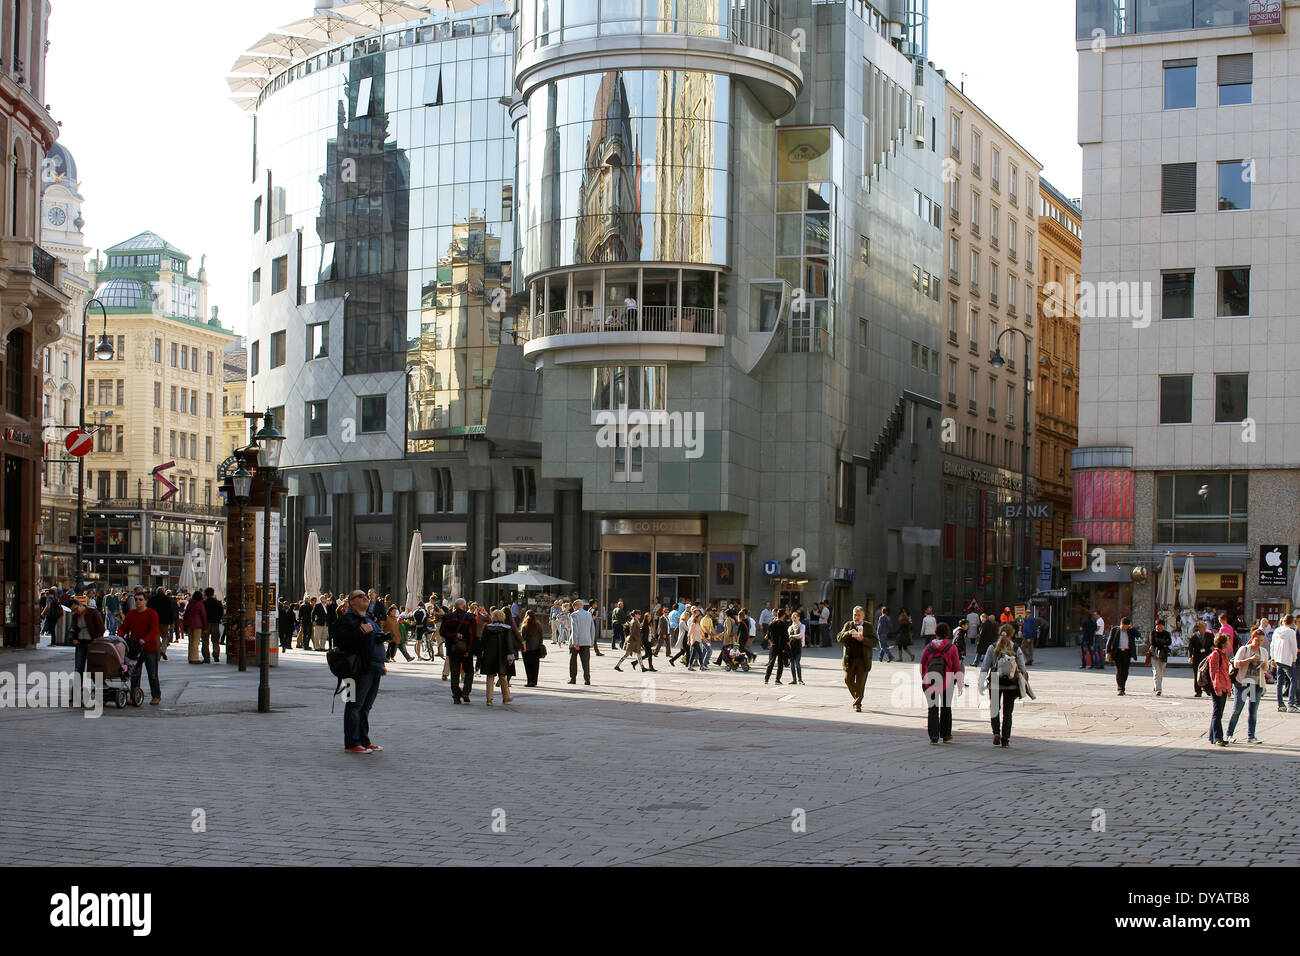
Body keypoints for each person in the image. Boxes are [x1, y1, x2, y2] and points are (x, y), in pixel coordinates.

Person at [335, 590, 386, 753]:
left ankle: (364, 740)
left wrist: (381, 663)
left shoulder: (369, 618)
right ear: (351, 602)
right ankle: (352, 742)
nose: (365, 598)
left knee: (365, 707)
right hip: (357, 670)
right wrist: (360, 631)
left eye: (366, 596)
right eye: (360, 597)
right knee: (354, 705)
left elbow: (374, 640)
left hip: (374, 668)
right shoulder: (347, 620)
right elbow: (342, 641)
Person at [980, 625, 1032, 748]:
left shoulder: (992, 647)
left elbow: (984, 667)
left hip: (994, 681)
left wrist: (981, 682)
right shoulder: (1016, 648)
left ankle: (996, 733)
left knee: (994, 709)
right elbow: (1022, 668)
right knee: (1008, 713)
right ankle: (1006, 740)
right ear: (1012, 634)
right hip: (1011, 683)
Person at [919, 622, 963, 743]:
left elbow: (922, 664)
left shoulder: (929, 647)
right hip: (947, 679)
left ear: (936, 633)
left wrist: (924, 677)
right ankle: (946, 735)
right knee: (946, 707)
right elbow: (957, 667)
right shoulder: (952, 647)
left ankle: (934, 737)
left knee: (932, 708)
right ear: (948, 633)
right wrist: (959, 683)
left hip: (930, 680)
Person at [118, 591, 162, 705]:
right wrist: (119, 637)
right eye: (136, 599)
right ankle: (134, 696)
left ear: (146, 601)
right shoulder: (131, 614)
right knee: (134, 674)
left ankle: (156, 696)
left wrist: (145, 640)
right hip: (135, 648)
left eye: (140, 599)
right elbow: (124, 628)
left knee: (152, 674)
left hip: (149, 648)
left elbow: (154, 630)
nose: (138, 602)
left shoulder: (152, 614)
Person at [1226, 628, 1269, 744]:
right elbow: (1236, 663)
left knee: (1253, 711)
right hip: (1243, 683)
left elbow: (1266, 669)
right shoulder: (1244, 649)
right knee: (1237, 710)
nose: (1259, 642)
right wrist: (1250, 659)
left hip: (1256, 684)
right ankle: (1229, 734)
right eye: (1257, 640)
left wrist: (1264, 665)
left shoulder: (1264, 652)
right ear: (1252, 638)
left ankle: (1251, 736)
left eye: (1261, 640)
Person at [836, 606, 877, 712]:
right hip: (849, 659)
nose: (856, 617)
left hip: (863, 660)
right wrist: (848, 633)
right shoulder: (848, 625)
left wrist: (863, 639)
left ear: (863, 616)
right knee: (847, 679)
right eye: (855, 614)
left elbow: (875, 642)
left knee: (860, 683)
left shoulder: (868, 626)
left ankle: (857, 704)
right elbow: (839, 637)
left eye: (859, 615)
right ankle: (857, 696)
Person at [477, 609, 520, 706]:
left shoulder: (487, 628)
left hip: (489, 655)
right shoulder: (506, 629)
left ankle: (489, 699)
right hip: (502, 655)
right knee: (502, 676)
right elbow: (509, 644)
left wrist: (481, 654)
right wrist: (510, 656)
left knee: (490, 676)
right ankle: (506, 697)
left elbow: (482, 642)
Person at [442, 598, 477, 703]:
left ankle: (456, 696)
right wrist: (469, 650)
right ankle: (466, 691)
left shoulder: (448, 617)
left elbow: (442, 632)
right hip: (465, 649)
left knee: (455, 673)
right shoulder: (470, 617)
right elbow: (472, 635)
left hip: (452, 649)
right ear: (465, 606)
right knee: (469, 671)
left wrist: (453, 635)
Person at [69, 595, 105, 687]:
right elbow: (73, 629)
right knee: (78, 668)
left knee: (93, 668)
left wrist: (95, 641)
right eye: (73, 610)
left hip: (92, 643)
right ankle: (76, 694)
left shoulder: (92, 612)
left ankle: (101, 688)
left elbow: (101, 629)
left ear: (80, 605)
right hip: (81, 643)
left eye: (76, 609)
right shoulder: (75, 616)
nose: (76, 612)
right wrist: (74, 639)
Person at [1206, 632, 1232, 746]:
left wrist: (1228, 688)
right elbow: (1214, 672)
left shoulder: (1223, 654)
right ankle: (1218, 738)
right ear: (1223, 643)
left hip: (1224, 686)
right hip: (1218, 687)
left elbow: (1226, 673)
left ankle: (1212, 737)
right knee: (1217, 713)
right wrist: (1217, 688)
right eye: (1228, 641)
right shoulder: (1216, 654)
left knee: (1218, 713)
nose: (1230, 643)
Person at [1270, 613, 1298, 712]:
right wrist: (1294, 658)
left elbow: (1272, 645)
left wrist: (1272, 658)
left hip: (1278, 658)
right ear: (1292, 622)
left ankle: (1280, 704)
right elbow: (1294, 647)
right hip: (1287, 659)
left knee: (1279, 682)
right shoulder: (1291, 632)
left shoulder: (1277, 630)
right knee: (1294, 680)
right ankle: (1291, 704)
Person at [1106, 616, 1139, 695]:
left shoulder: (1130, 630)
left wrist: (1132, 628)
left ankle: (1123, 686)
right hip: (1118, 652)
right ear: (1121, 624)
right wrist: (1108, 652)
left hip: (1127, 653)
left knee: (1125, 671)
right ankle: (1120, 688)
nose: (1125, 629)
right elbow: (1109, 641)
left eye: (1127, 627)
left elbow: (1138, 634)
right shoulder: (1115, 630)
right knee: (1119, 670)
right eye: (1124, 627)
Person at [568, 598, 594, 684]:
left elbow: (575, 629)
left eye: (573, 607)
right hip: (586, 641)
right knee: (586, 661)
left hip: (577, 642)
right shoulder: (589, 614)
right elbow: (592, 629)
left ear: (575, 606)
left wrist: (575, 642)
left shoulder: (574, 615)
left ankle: (573, 679)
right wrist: (592, 641)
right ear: (582, 606)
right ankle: (587, 679)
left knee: (573, 661)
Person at [764, 607, 790, 684]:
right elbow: (786, 637)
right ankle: (777, 679)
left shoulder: (771, 624)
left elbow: (768, 636)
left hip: (774, 645)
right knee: (780, 663)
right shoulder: (783, 624)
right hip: (781, 645)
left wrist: (771, 643)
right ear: (783, 615)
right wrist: (789, 645)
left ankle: (766, 679)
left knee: (771, 662)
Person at [147, 587, 175, 660]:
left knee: (156, 637)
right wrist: (171, 621)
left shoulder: (152, 599)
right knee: (165, 637)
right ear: (163, 592)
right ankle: (163, 650)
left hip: (154, 621)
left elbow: (148, 610)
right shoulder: (167, 599)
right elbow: (170, 610)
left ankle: (158, 654)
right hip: (165, 621)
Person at [519, 609, 544, 686]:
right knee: (535, 665)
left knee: (528, 666)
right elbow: (541, 636)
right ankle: (534, 681)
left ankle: (529, 681)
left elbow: (523, 638)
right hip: (536, 648)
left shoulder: (524, 626)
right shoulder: (538, 625)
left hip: (527, 648)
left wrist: (524, 647)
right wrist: (540, 643)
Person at [1187, 620, 1212, 698]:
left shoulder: (1209, 635)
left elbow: (1213, 643)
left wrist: (1213, 647)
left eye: (1205, 627)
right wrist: (1190, 657)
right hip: (1197, 657)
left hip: (1207, 657)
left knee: (1208, 673)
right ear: (1199, 628)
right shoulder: (1193, 637)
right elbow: (1190, 648)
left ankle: (1207, 689)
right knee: (1197, 674)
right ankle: (1198, 691)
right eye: (1203, 627)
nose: (1204, 629)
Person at [183, 590, 208, 664]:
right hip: (197, 624)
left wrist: (184, 626)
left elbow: (186, 614)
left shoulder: (189, 603)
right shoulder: (200, 604)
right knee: (196, 642)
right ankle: (194, 658)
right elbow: (203, 616)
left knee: (190, 641)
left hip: (189, 624)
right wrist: (205, 627)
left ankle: (190, 657)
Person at [1149, 618, 1172, 696]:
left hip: (1163, 655)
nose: (1159, 627)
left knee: (1161, 672)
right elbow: (1153, 642)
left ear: (1164, 626)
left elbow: (1169, 642)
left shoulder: (1167, 633)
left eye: (1161, 626)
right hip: (1154, 654)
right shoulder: (1153, 633)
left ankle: (1157, 686)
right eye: (1157, 626)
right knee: (1156, 672)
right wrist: (1163, 642)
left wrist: (1159, 641)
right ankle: (1158, 689)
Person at [787, 610, 806, 685]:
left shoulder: (802, 626)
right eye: (793, 617)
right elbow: (788, 636)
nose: (794, 619)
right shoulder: (790, 627)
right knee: (792, 664)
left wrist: (792, 636)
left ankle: (800, 679)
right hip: (791, 647)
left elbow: (800, 635)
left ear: (799, 618)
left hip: (798, 647)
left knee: (797, 663)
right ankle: (794, 679)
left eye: (795, 617)